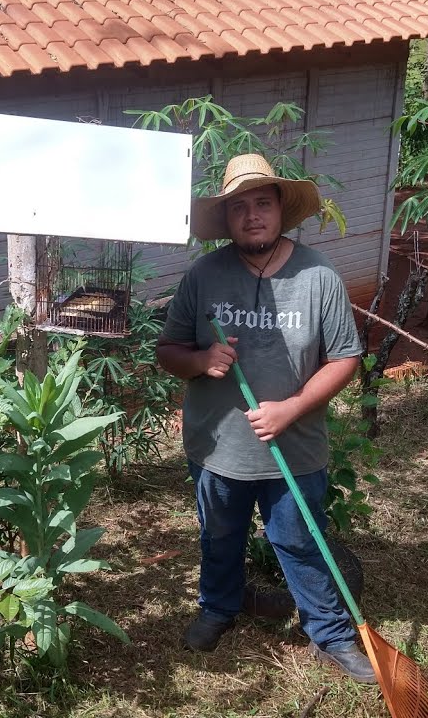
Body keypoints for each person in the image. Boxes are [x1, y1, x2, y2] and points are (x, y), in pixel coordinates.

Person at [156, 153, 374, 683]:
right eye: (238, 207)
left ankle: (330, 632)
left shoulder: (318, 275)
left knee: (300, 539)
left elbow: (345, 356)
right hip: (217, 445)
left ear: (281, 208)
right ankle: (218, 607)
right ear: (227, 218)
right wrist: (202, 361)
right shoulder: (205, 275)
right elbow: (168, 349)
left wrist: (292, 408)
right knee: (219, 535)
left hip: (294, 446)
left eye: (262, 203)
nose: (251, 215)